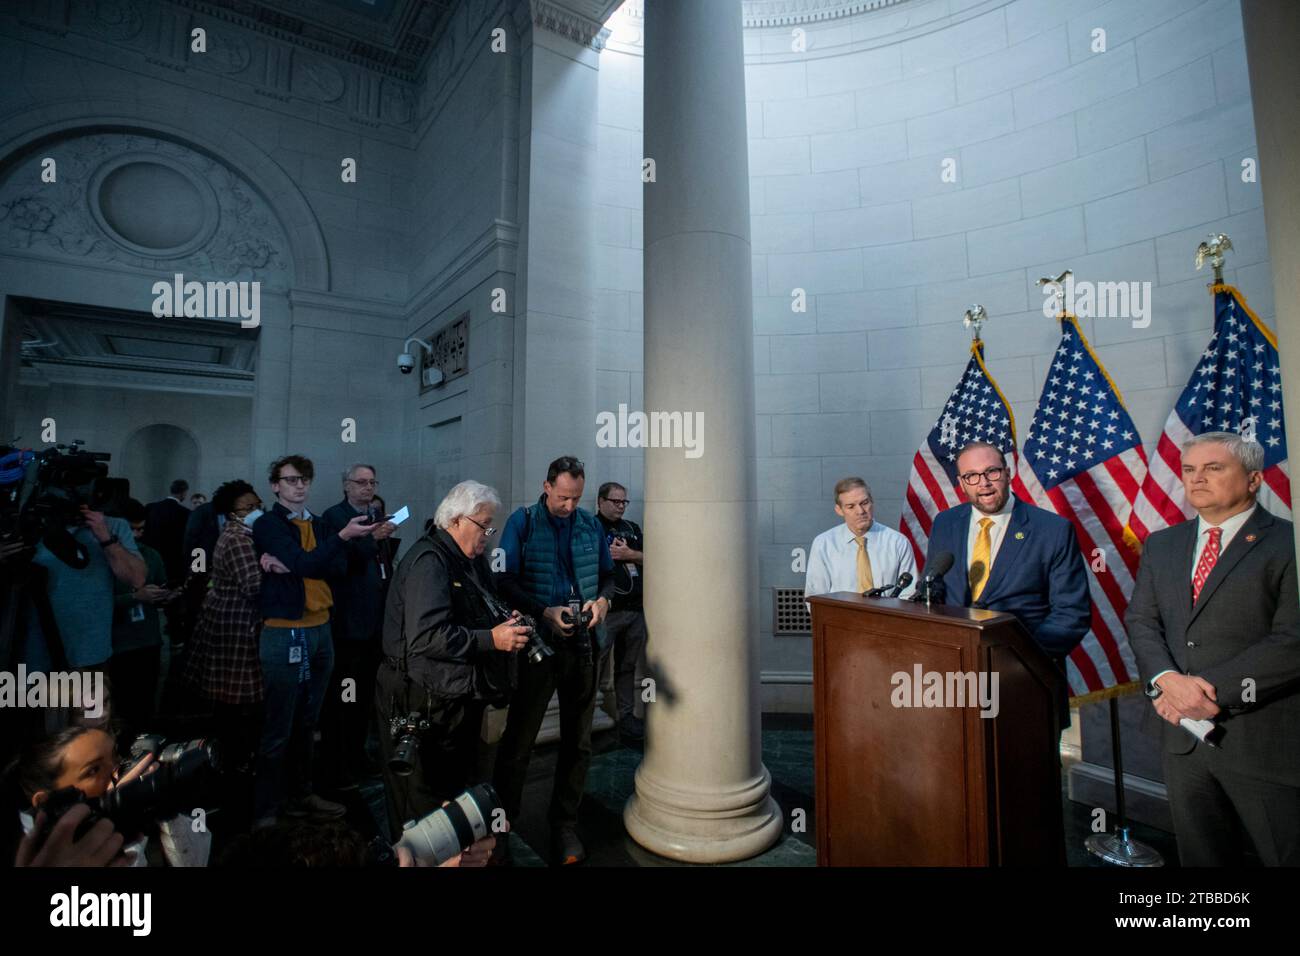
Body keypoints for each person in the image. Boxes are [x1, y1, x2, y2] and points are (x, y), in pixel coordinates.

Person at [1127, 432, 1300, 866]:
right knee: (1202, 857)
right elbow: (1142, 622)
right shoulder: (1164, 544)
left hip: (1260, 737)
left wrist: (1204, 694)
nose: (1196, 479)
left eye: (1213, 468)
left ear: (1254, 479)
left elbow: (1292, 639)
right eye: (1189, 470)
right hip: (1181, 738)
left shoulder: (1288, 544)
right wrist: (1167, 682)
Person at [376, 480, 529, 841]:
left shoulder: (466, 561)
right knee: (421, 806)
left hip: (450, 695)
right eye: (484, 525)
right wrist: (492, 638)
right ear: (457, 520)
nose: (488, 534)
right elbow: (427, 637)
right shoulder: (429, 562)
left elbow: (471, 613)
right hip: (417, 699)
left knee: (449, 794)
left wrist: (502, 621)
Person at [492, 456, 614, 866]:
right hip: (538, 647)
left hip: (583, 645)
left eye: (576, 498)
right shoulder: (522, 522)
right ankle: (502, 821)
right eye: (563, 497)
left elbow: (608, 574)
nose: (569, 505)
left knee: (578, 743)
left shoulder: (590, 524)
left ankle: (563, 823)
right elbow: (502, 580)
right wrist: (545, 611)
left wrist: (603, 601)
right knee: (519, 739)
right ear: (546, 487)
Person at [250, 455, 377, 827]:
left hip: (322, 628)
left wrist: (299, 562)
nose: (299, 485)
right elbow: (311, 564)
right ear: (275, 485)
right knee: (279, 726)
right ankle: (267, 810)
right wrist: (327, 548)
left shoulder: (319, 524)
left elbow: (335, 569)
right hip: (285, 629)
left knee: (309, 722)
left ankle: (302, 795)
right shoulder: (268, 524)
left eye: (304, 479)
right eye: (290, 480)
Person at [924, 441, 1090, 720]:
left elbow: (1072, 615)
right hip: (956, 684)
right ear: (962, 484)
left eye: (992, 472)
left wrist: (1015, 660)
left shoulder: (1053, 530)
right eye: (972, 476)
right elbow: (934, 589)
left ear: (1008, 473)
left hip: (1026, 684)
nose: (984, 483)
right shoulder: (945, 523)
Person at [183, 481, 281, 777]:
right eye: (248, 508)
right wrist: (276, 568)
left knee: (233, 701)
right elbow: (252, 585)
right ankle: (233, 760)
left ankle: (232, 757)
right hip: (236, 625)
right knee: (234, 700)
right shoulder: (238, 538)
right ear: (232, 513)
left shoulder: (246, 533)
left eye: (258, 505)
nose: (256, 511)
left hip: (234, 620)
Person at [9, 724, 210, 867]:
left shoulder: (139, 805)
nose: (116, 772)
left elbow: (196, 862)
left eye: (116, 757)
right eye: (93, 770)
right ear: (46, 801)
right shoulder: (35, 854)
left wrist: (160, 797)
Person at [320, 464, 396, 791]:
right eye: (361, 483)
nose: (367, 488)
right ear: (346, 485)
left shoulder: (374, 515)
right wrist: (370, 541)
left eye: (372, 482)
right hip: (348, 623)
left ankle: (359, 753)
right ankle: (338, 763)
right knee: (344, 698)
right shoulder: (334, 518)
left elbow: (379, 565)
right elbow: (336, 565)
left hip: (375, 622)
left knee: (365, 696)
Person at [25, 502, 145, 672]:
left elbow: (137, 579)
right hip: (31, 650)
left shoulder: (112, 525)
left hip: (89, 652)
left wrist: (106, 538)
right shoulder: (28, 521)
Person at [109, 499, 172, 741]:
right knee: (118, 708)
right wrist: (135, 597)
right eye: (131, 529)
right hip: (118, 643)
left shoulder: (151, 555)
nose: (136, 535)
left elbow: (161, 584)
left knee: (145, 705)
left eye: (141, 529)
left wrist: (165, 595)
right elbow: (97, 604)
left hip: (148, 640)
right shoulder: (103, 556)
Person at [805, 477, 917, 602]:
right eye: (851, 506)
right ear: (839, 510)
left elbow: (908, 595)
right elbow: (816, 598)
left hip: (887, 619)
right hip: (840, 620)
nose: (860, 511)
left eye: (864, 503)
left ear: (872, 502)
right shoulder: (824, 544)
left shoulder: (898, 542)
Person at [595, 481, 648, 743]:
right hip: (608, 611)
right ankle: (585, 717)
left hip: (636, 611)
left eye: (623, 502)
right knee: (595, 663)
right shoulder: (591, 528)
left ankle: (626, 716)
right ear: (600, 501)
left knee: (627, 666)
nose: (620, 506)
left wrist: (630, 554)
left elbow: (653, 557)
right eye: (615, 501)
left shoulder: (632, 529)